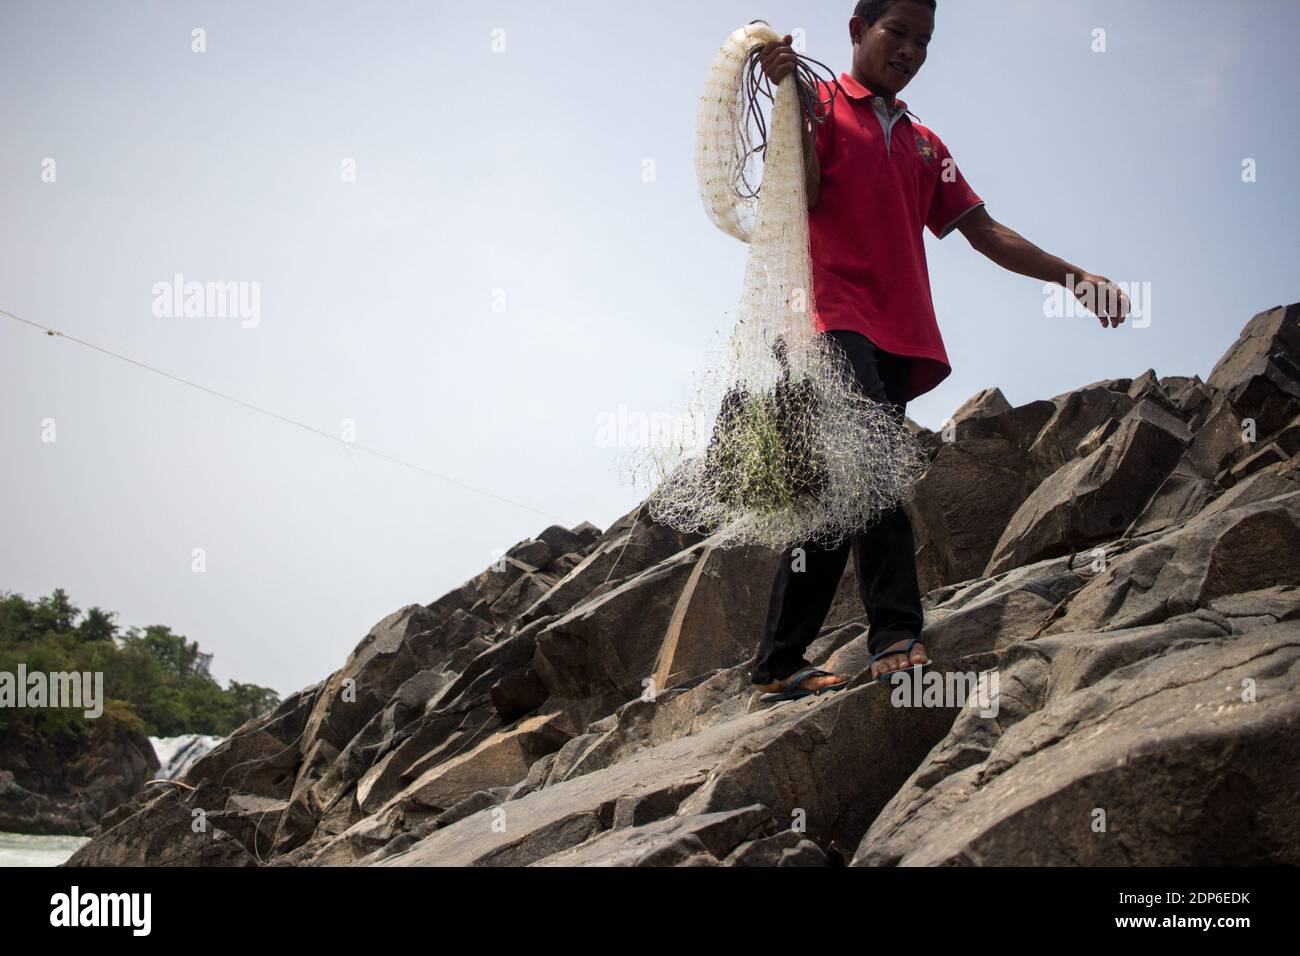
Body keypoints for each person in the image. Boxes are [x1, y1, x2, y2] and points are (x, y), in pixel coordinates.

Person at [750, 0, 1131, 698]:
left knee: (843, 496)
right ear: (857, 31)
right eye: (898, 33)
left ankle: (779, 664)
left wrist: (1074, 278)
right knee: (874, 468)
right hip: (822, 320)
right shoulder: (821, 103)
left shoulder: (926, 144)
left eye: (923, 41)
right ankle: (895, 632)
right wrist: (785, 94)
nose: (910, 50)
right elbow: (795, 186)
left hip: (894, 335)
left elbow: (985, 232)